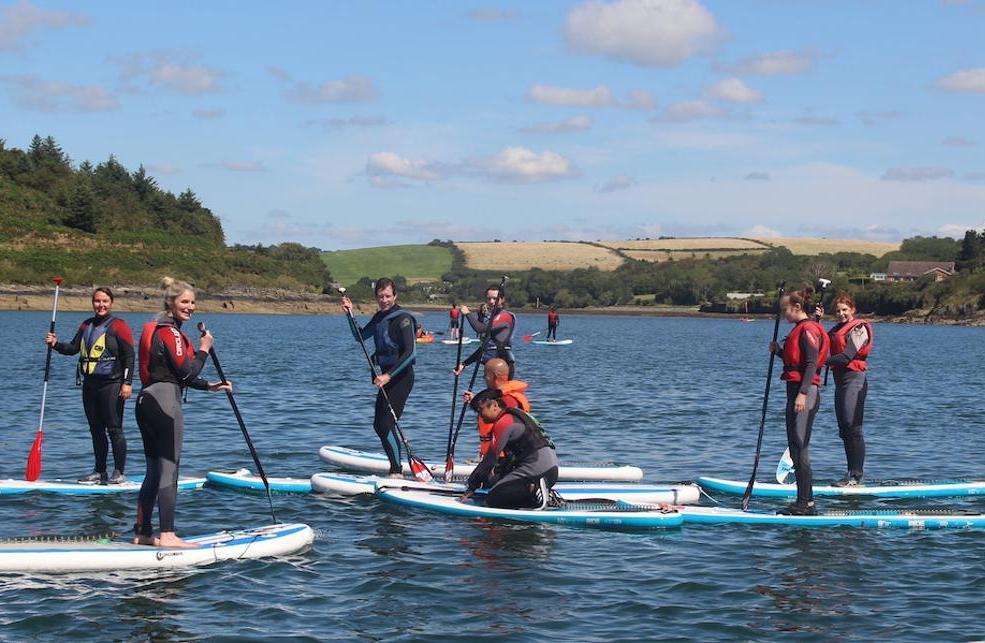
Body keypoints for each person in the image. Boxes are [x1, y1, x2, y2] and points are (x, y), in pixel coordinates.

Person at [134, 277, 230, 547]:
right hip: (164, 404)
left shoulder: (159, 331)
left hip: (146, 401)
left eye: (193, 302)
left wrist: (209, 386)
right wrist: (204, 350)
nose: (191, 307)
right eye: (185, 301)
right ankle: (167, 534)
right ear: (170, 303)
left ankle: (142, 533)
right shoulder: (171, 333)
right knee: (169, 469)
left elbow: (179, 376)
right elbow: (187, 371)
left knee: (153, 470)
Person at [46, 287, 135, 484]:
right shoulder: (86, 325)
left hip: (112, 384)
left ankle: (119, 472)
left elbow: (129, 356)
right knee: (95, 429)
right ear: (92, 303)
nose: (101, 305)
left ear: (111, 303)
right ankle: (99, 471)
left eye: (105, 301)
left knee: (114, 429)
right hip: (90, 385)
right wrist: (56, 344)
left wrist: (127, 383)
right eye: (97, 301)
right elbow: (73, 349)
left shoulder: (119, 326)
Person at [341, 277, 417, 477]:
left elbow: (410, 353)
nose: (384, 300)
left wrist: (388, 375)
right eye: (380, 296)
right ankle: (395, 466)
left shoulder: (404, 319)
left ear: (395, 296)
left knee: (386, 424)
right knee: (379, 425)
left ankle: (396, 470)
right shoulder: (378, 317)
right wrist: (350, 314)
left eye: (388, 296)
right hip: (384, 378)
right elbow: (359, 337)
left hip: (401, 377)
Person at [769, 284, 829, 516]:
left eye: (786, 310)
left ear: (797, 307)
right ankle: (804, 499)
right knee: (794, 446)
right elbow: (795, 361)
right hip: (794, 390)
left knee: (800, 447)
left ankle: (806, 503)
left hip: (805, 393)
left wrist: (803, 393)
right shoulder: (799, 328)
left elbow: (812, 363)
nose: (784, 315)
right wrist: (779, 351)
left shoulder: (808, 330)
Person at [460, 391, 559, 510]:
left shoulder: (504, 422)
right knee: (492, 481)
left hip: (538, 473)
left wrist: (471, 486)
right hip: (550, 471)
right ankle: (539, 492)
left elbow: (490, 459)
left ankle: (534, 492)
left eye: (481, 410)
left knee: (493, 499)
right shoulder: (515, 415)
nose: (480, 416)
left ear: (495, 406)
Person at [824, 293, 873, 487]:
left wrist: (820, 362)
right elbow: (820, 343)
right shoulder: (836, 330)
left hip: (854, 380)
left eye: (845, 310)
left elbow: (846, 357)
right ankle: (850, 473)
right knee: (844, 429)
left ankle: (856, 476)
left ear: (852, 310)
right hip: (840, 382)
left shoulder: (859, 328)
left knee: (852, 427)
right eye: (837, 311)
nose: (841, 314)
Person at [463, 358, 531, 460]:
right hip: (494, 456)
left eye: (485, 375)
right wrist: (475, 401)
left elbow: (499, 422)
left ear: (492, 376)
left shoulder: (508, 400)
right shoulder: (503, 399)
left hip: (502, 458)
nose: (484, 378)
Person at [456, 285, 517, 379]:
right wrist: (464, 364)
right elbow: (485, 348)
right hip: (491, 367)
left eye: (495, 299)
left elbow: (480, 329)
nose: (491, 301)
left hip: (503, 367)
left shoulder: (505, 316)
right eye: (489, 299)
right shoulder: (492, 318)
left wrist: (468, 314)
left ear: (502, 299)